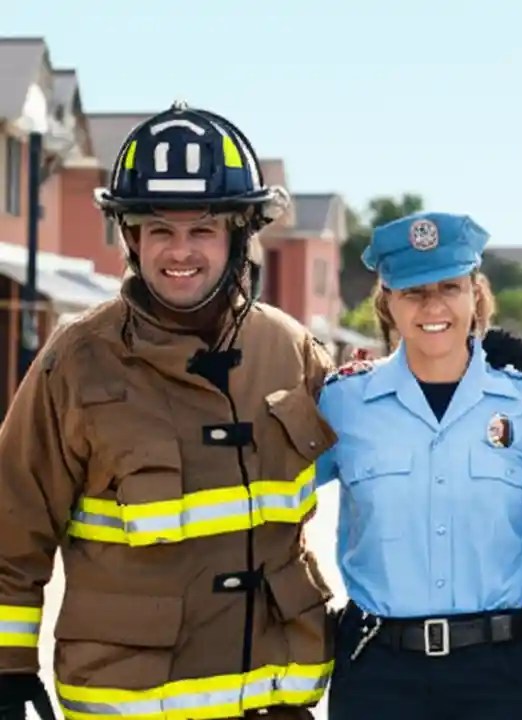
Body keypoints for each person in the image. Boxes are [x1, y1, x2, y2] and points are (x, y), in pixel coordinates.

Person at [0, 102, 337, 720]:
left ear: (238, 235)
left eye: (202, 230)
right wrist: (7, 666)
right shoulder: (75, 361)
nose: (180, 252)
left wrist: (464, 366)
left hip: (272, 703)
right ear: (131, 238)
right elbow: (10, 528)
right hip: (128, 706)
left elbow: (391, 454)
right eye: (160, 230)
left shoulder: (291, 351)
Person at [317, 211, 522, 720]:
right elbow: (282, 502)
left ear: (475, 294)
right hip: (378, 673)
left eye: (450, 287)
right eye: (413, 291)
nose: (433, 305)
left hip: (499, 672)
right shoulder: (343, 404)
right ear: (387, 302)